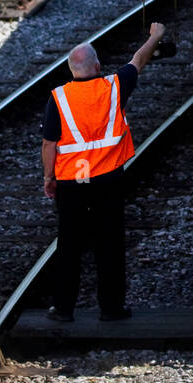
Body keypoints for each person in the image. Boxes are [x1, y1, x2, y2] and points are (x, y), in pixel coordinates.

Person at [40, 23, 165, 322]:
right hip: (108, 180)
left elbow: (49, 144)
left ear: (72, 70)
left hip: (73, 181)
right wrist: (156, 36)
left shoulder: (58, 98)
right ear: (96, 65)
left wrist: (49, 178)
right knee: (109, 242)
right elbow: (139, 60)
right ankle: (111, 308)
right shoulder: (114, 86)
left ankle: (63, 308)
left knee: (69, 243)